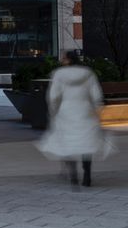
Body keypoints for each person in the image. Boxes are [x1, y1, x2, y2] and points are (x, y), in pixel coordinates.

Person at [37, 51, 113, 186]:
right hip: (85, 110)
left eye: (63, 58)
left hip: (66, 111)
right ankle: (87, 175)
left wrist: (53, 111)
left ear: (68, 60)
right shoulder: (88, 73)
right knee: (86, 143)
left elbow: (53, 96)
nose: (61, 60)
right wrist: (96, 110)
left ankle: (73, 175)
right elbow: (96, 95)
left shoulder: (59, 74)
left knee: (68, 143)